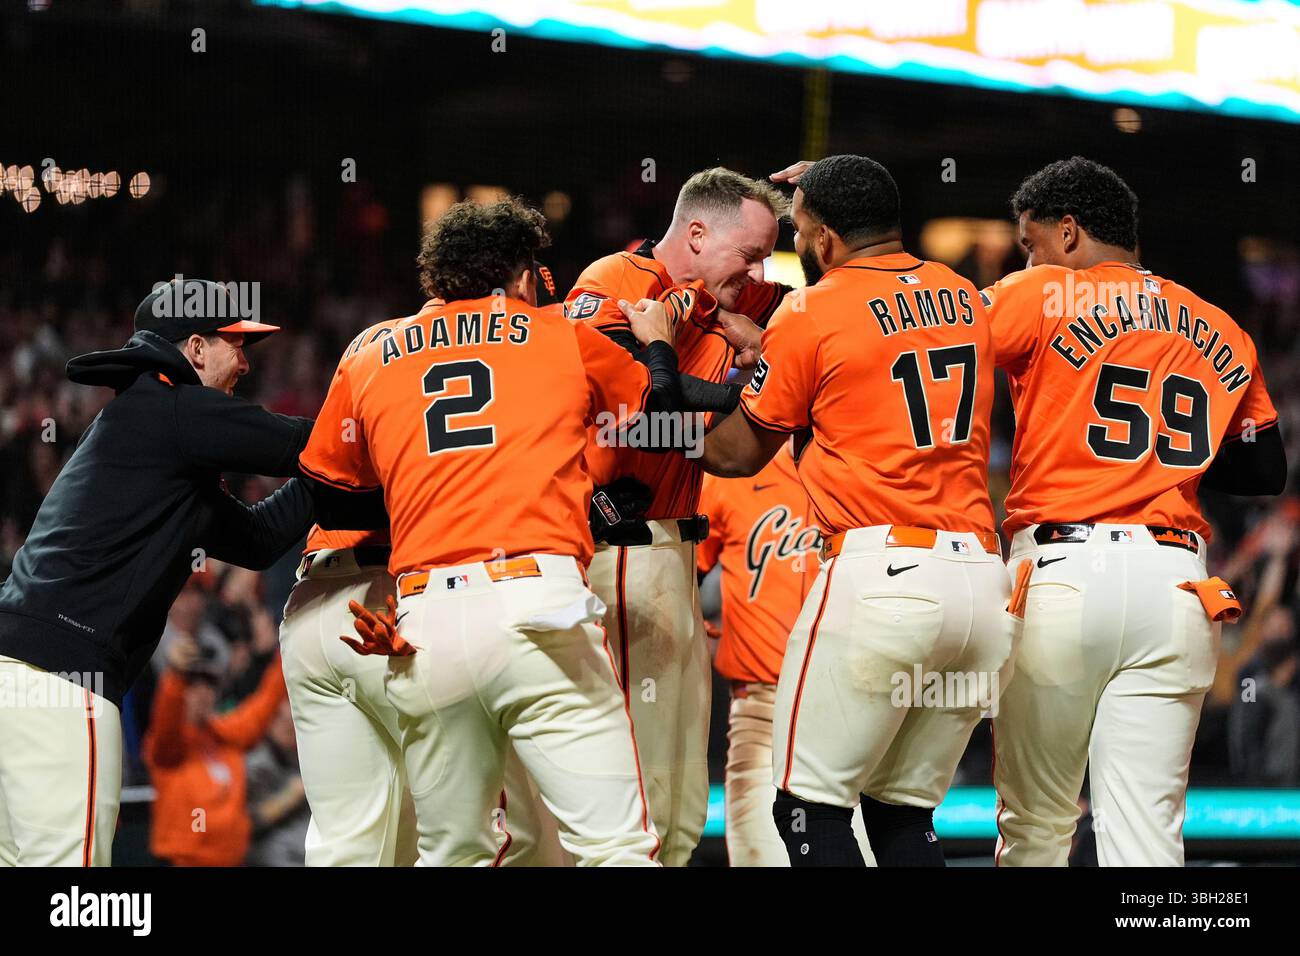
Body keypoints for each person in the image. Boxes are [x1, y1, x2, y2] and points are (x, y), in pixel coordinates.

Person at [297, 198, 688, 866]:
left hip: (423, 620)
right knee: (615, 846)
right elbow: (658, 406)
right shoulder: (557, 331)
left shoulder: (369, 349)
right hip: (536, 604)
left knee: (454, 852)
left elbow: (330, 493)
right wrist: (658, 344)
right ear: (521, 274)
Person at [702, 155, 1019, 866]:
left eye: (804, 231)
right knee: (900, 814)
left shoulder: (811, 309)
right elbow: (874, 354)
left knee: (806, 809)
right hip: (979, 585)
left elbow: (737, 455)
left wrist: (664, 375)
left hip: (884, 575)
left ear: (822, 241)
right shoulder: (962, 292)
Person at [983, 156, 1287, 866]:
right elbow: (1266, 468)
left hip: (1063, 573)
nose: (1025, 258)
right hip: (1175, 585)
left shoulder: (1042, 293)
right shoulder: (1216, 323)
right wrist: (1161, 459)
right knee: (1146, 840)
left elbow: (936, 355)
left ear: (1067, 232)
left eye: (1029, 244)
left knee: (1035, 828)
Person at [0, 278, 315, 867]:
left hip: (15, 672)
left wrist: (327, 478)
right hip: (58, 681)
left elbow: (260, 536)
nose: (245, 363)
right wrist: (375, 421)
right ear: (194, 348)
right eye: (235, 344)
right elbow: (307, 443)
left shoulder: (154, 434)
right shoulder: (171, 405)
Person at [565, 167, 791, 865]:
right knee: (638, 792)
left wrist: (821, 197)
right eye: (750, 254)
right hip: (620, 548)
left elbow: (829, 306)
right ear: (696, 233)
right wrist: (754, 371)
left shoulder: (735, 290)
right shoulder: (614, 279)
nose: (759, 271)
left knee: (682, 797)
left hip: (671, 556)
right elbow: (640, 404)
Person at [697, 442, 874, 865]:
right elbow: (685, 567)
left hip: (856, 710)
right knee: (763, 856)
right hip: (762, 711)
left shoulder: (868, 471)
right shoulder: (732, 468)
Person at [143, 633, 288, 867]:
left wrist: (289, 651)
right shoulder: (169, 747)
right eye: (194, 683)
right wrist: (176, 678)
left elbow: (266, 702)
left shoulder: (224, 735)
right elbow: (166, 721)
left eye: (209, 684)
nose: (202, 692)